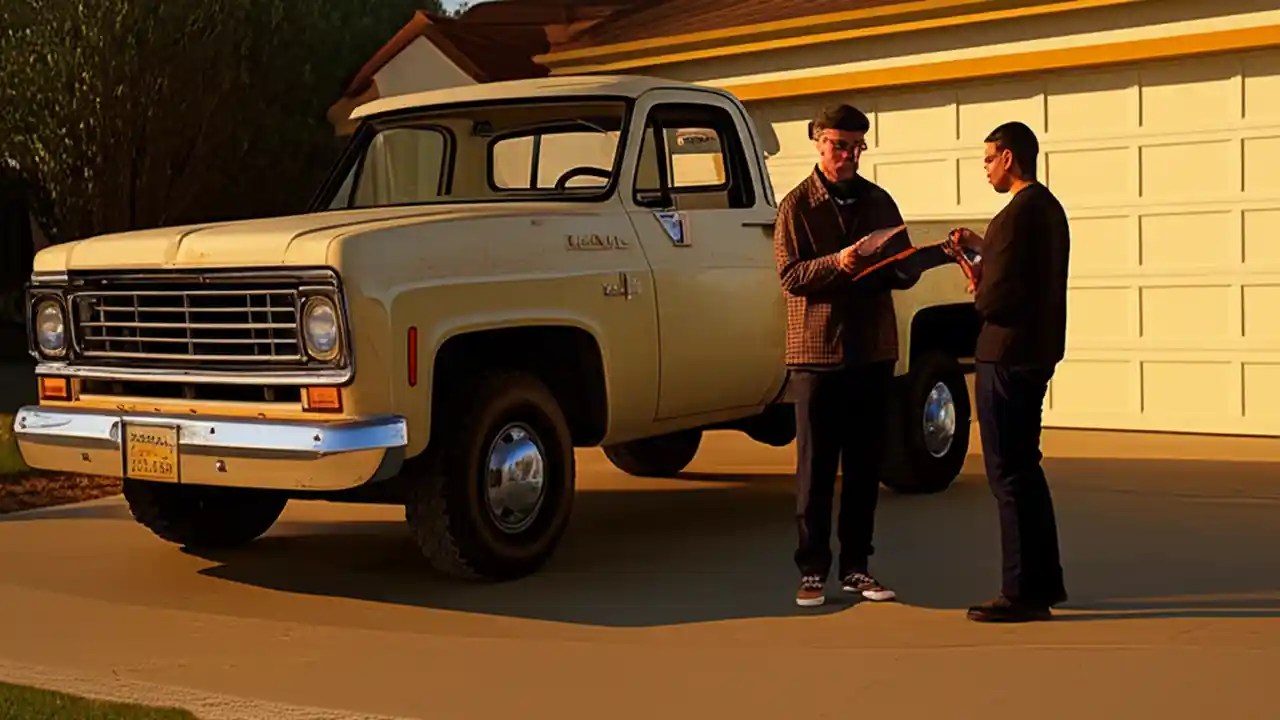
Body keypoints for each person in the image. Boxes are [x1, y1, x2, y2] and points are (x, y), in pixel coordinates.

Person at [772, 104, 921, 608]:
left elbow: (906, 269)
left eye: (858, 146)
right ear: (817, 143)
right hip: (817, 353)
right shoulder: (797, 206)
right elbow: (791, 276)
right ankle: (812, 569)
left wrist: (904, 263)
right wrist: (841, 261)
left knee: (863, 466)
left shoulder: (879, 201)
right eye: (840, 145)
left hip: (871, 351)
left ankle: (857, 567)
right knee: (815, 470)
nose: (850, 155)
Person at [951, 121, 1070, 622]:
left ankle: (1020, 591)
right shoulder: (1048, 210)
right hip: (1036, 353)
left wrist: (976, 280)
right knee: (1027, 467)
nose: (984, 169)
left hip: (1004, 356)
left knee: (1007, 474)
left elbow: (997, 296)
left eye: (987, 159)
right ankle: (1043, 584)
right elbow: (1023, 273)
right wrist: (982, 247)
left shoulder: (1012, 217)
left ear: (1009, 158)